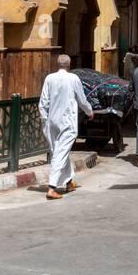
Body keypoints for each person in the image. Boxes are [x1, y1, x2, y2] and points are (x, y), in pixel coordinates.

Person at [37, 54, 93, 200]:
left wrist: (45, 120)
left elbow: (43, 101)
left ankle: (68, 183)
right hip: (67, 122)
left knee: (61, 151)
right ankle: (52, 188)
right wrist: (89, 111)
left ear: (58, 64)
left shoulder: (49, 78)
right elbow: (82, 99)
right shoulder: (73, 78)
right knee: (60, 153)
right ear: (69, 65)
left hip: (52, 121)